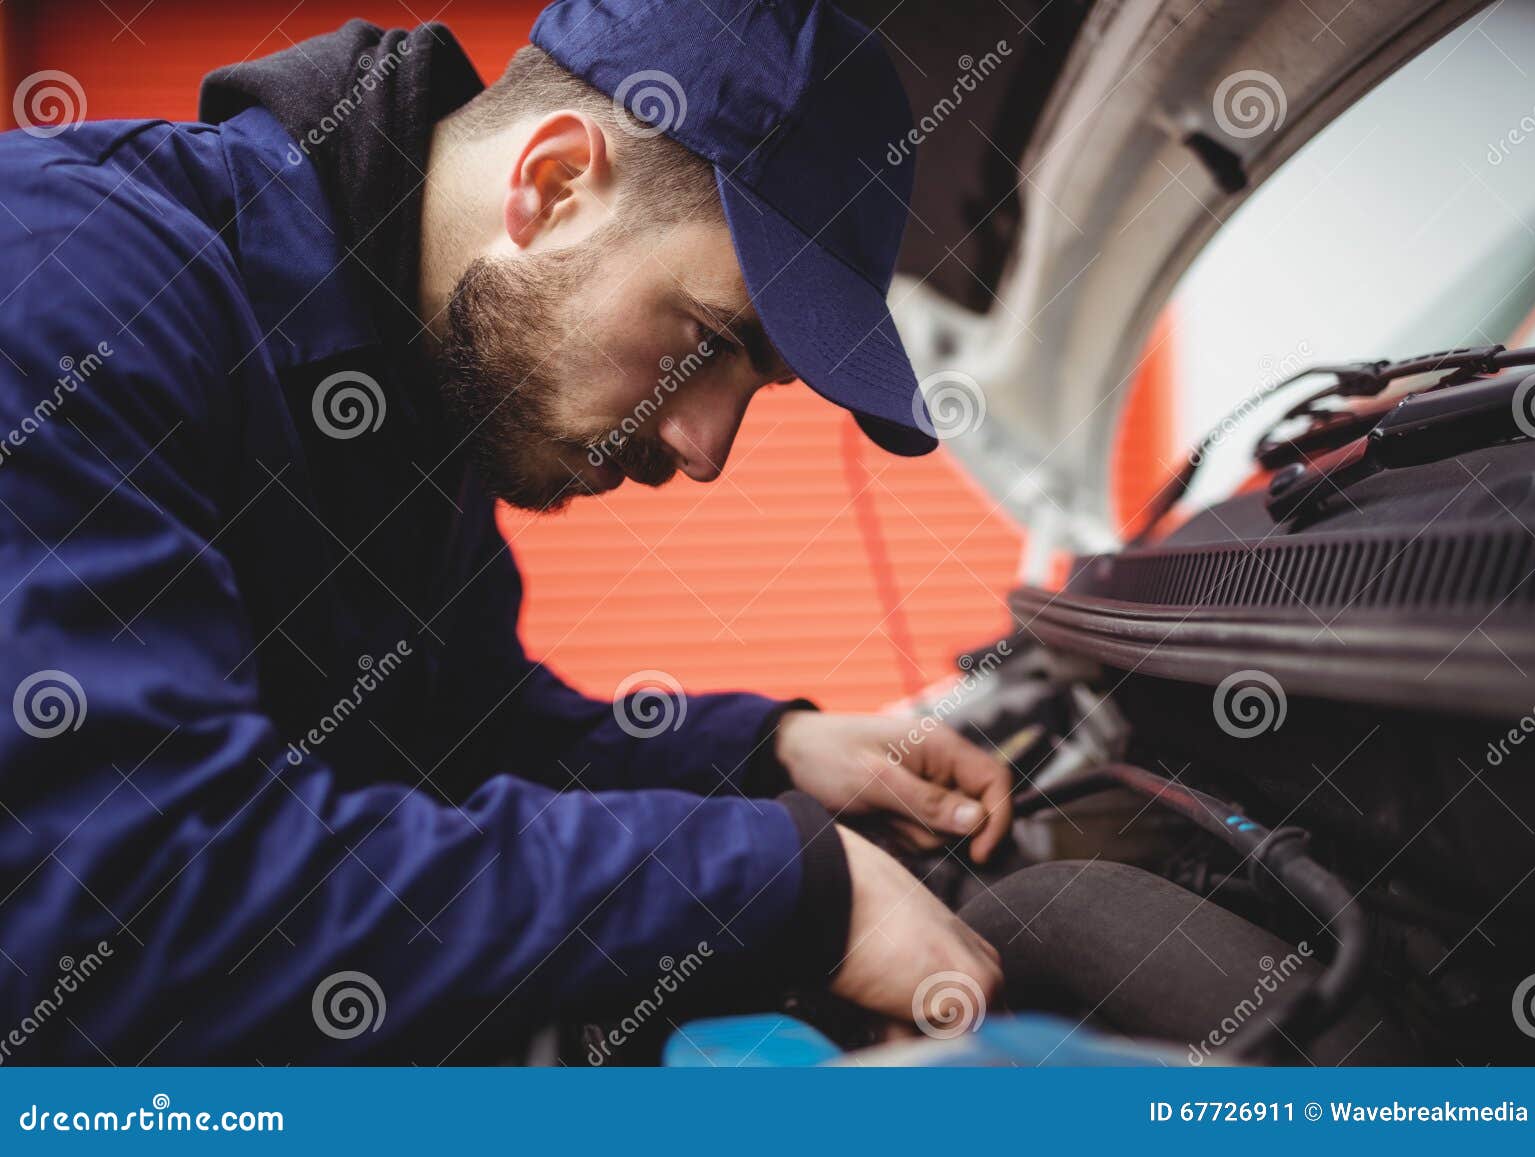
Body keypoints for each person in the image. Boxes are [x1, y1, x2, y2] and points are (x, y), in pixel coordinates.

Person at [0, 0, 1009, 1062]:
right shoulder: (61, 285)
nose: (706, 445)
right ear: (553, 183)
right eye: (710, 339)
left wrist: (762, 759)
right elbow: (120, 907)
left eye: (759, 385)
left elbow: (452, 743)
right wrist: (779, 886)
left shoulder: (416, 385)